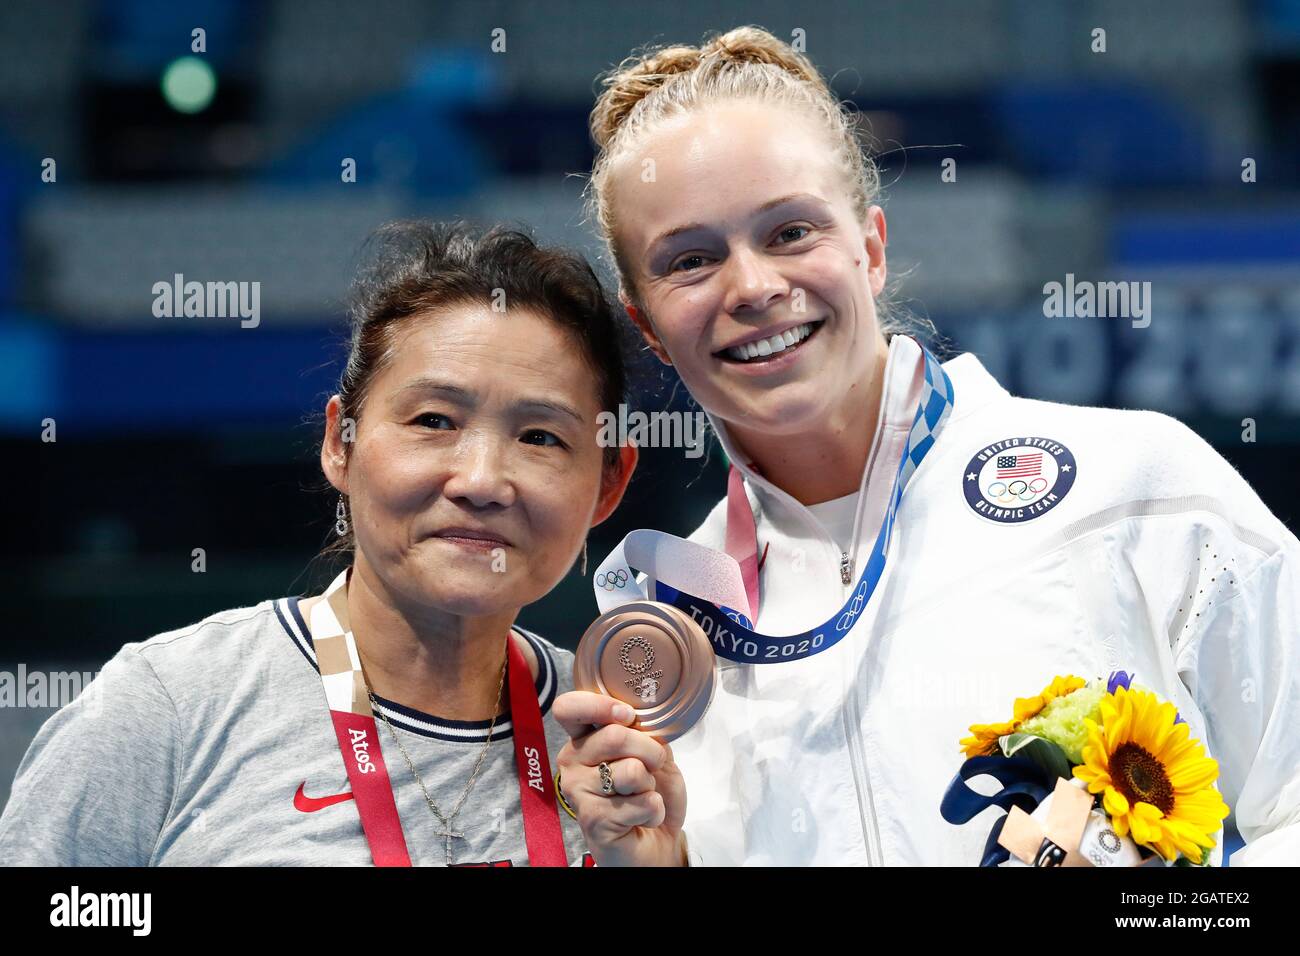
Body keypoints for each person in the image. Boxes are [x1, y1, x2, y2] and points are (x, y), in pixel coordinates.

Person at [553, 25, 1300, 866]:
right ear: (647, 326)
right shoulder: (660, 650)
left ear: (871, 248)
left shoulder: (1132, 488)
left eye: (791, 232)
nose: (755, 286)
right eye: (691, 259)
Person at [0, 220, 637, 866]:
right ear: (341, 443)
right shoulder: (166, 706)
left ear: (609, 484)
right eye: (434, 421)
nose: (480, 481)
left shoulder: (624, 744)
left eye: (540, 437)